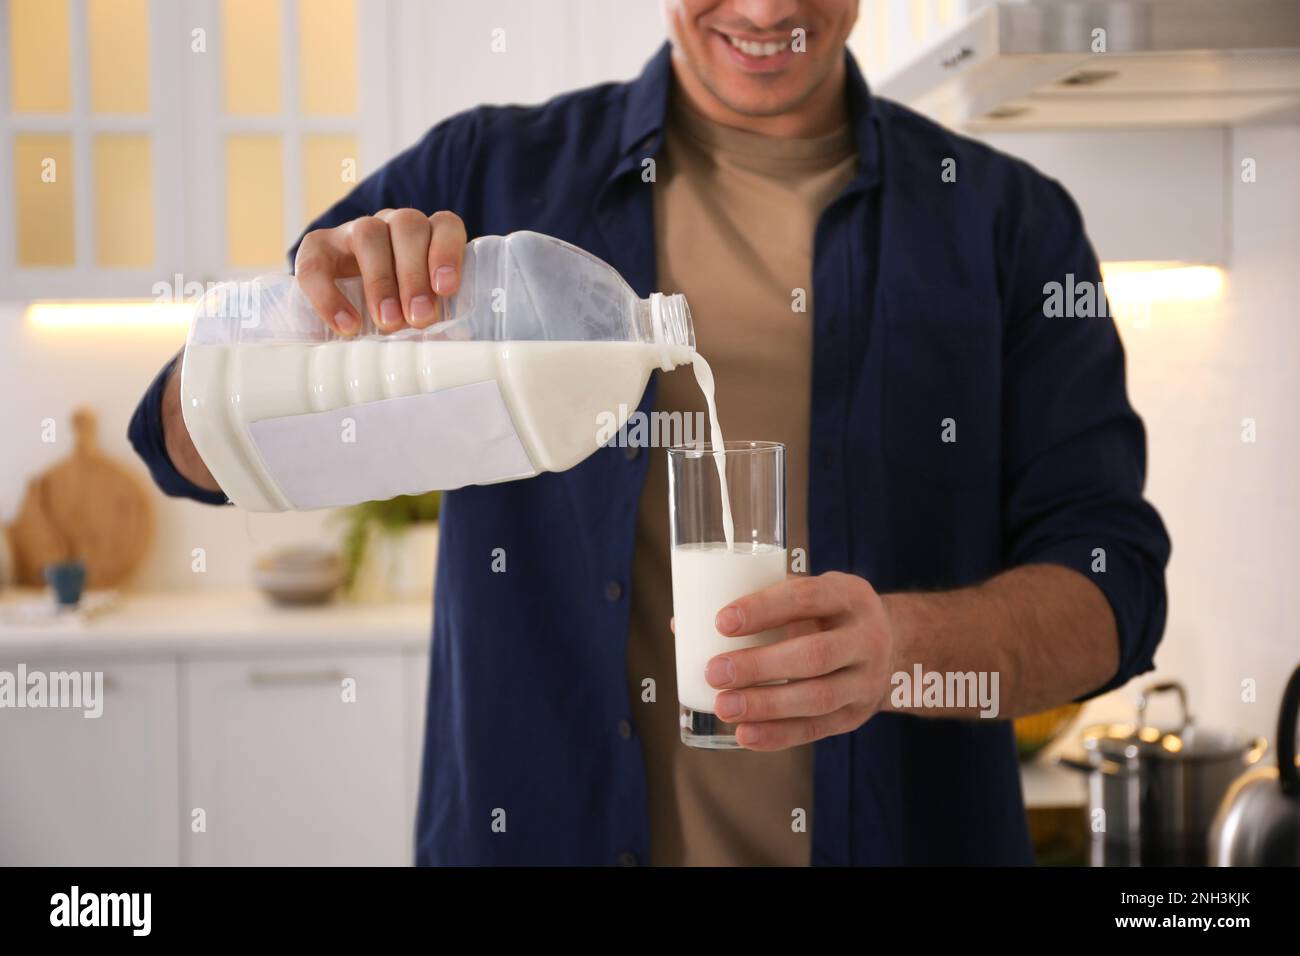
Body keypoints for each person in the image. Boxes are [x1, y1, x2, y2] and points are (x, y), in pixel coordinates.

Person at [129, 0, 1170, 866]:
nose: (767, 11)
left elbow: (1112, 589)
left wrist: (897, 649)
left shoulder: (1009, 223)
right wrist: (310, 314)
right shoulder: (485, 175)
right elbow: (179, 442)